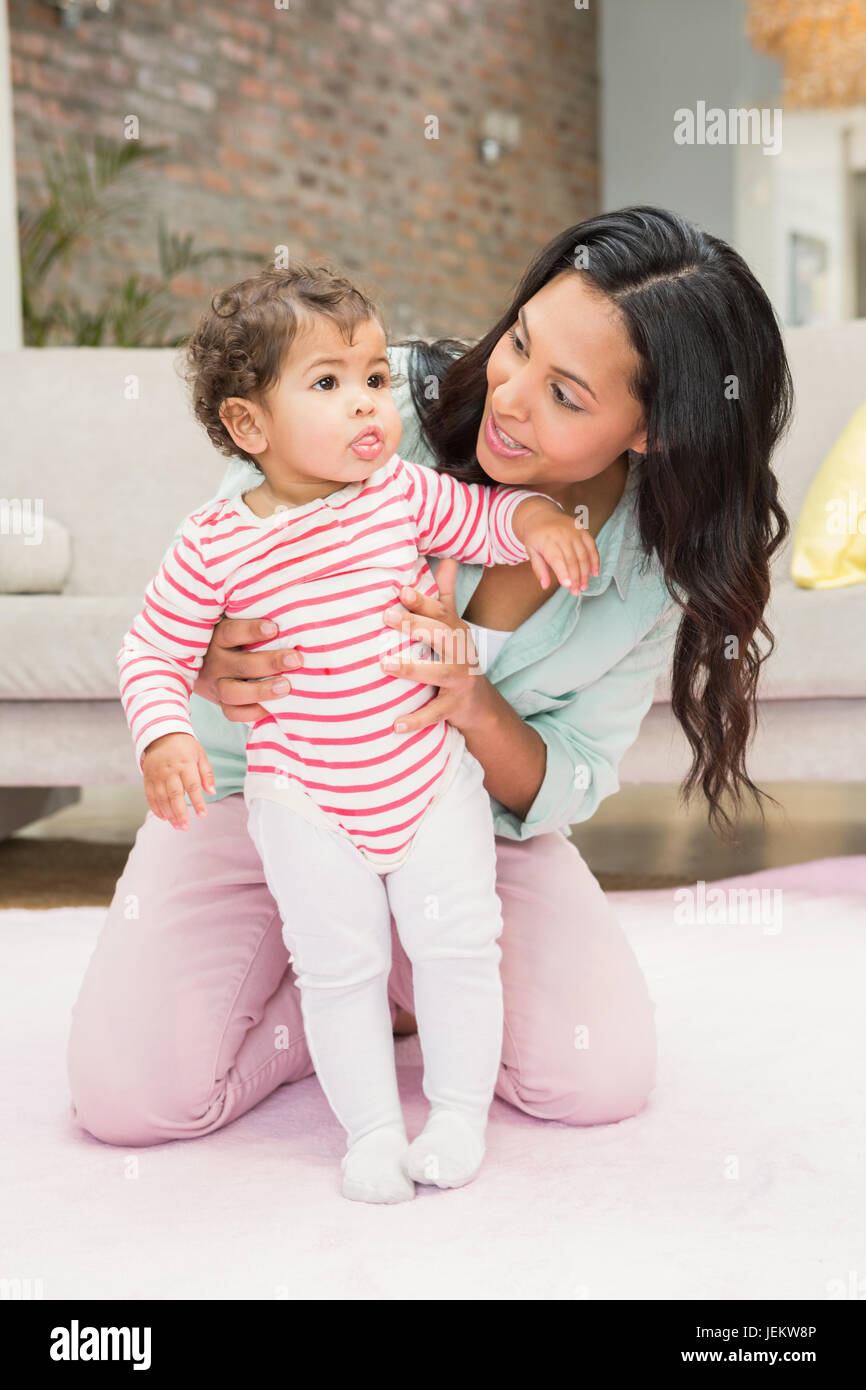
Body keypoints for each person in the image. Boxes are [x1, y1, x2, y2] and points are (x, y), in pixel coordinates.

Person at [67, 207, 793, 1173]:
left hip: (461, 827)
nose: (510, 397)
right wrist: (205, 662)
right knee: (134, 1097)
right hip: (269, 798)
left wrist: (473, 703)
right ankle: (339, 992)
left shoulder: (647, 570)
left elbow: (570, 781)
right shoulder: (370, 396)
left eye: (566, 395)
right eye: (520, 342)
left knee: (595, 1078)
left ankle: (398, 980)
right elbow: (201, 585)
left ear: (653, 430)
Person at [116, 263, 597, 1204]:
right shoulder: (214, 541)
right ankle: (372, 1132)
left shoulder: (404, 493)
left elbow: (491, 520)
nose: (369, 404)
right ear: (250, 426)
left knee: (461, 942)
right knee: (340, 966)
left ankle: (456, 1114)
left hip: (426, 781)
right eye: (329, 383)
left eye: (377, 378)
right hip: (305, 797)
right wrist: (163, 736)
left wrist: (540, 517)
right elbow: (151, 653)